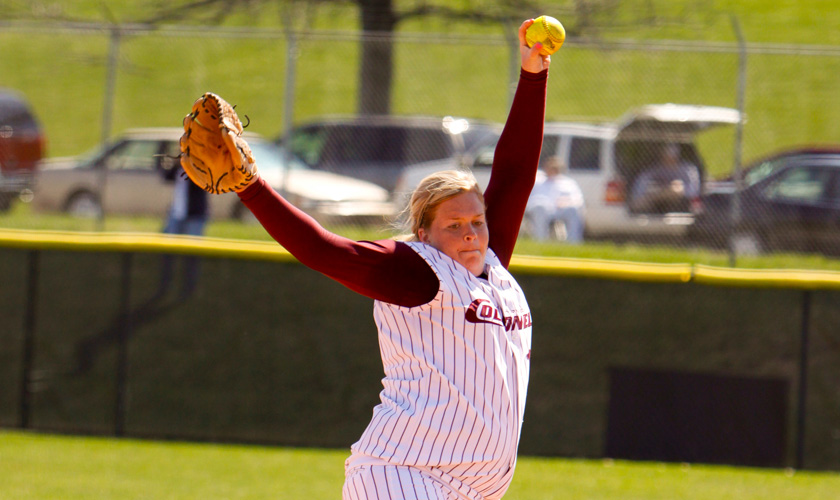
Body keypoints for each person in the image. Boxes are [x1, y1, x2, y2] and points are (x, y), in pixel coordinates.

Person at [190, 19, 548, 499]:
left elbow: (514, 174)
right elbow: (324, 250)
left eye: (477, 222)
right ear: (424, 234)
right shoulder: (420, 272)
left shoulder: (492, 267)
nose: (469, 234)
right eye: (453, 225)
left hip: (470, 491)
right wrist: (252, 188)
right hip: (402, 475)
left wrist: (533, 74)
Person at [628, 143, 701, 214]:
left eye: (672, 158)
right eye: (666, 157)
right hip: (657, 200)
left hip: (683, 201)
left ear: (677, 157)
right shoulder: (657, 169)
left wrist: (674, 188)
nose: (668, 160)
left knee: (676, 187)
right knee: (641, 201)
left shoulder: (688, 169)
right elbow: (643, 181)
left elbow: (693, 191)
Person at [525, 156, 585, 242]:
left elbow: (578, 199)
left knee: (573, 210)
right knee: (540, 207)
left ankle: (574, 242)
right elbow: (529, 198)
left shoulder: (568, 183)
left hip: (560, 210)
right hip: (540, 210)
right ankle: (540, 241)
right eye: (550, 167)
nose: (552, 170)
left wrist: (567, 202)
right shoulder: (537, 180)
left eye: (555, 168)